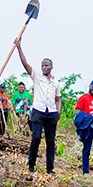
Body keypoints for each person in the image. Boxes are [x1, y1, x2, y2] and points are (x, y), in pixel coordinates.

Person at [14, 38, 61, 176]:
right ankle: (31, 165)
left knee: (50, 141)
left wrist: (58, 112)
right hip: (38, 111)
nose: (43, 68)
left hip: (51, 113)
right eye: (42, 65)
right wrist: (19, 47)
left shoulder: (56, 82)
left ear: (51, 67)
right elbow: (25, 63)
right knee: (36, 138)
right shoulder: (37, 77)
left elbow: (58, 99)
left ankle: (50, 169)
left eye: (46, 66)